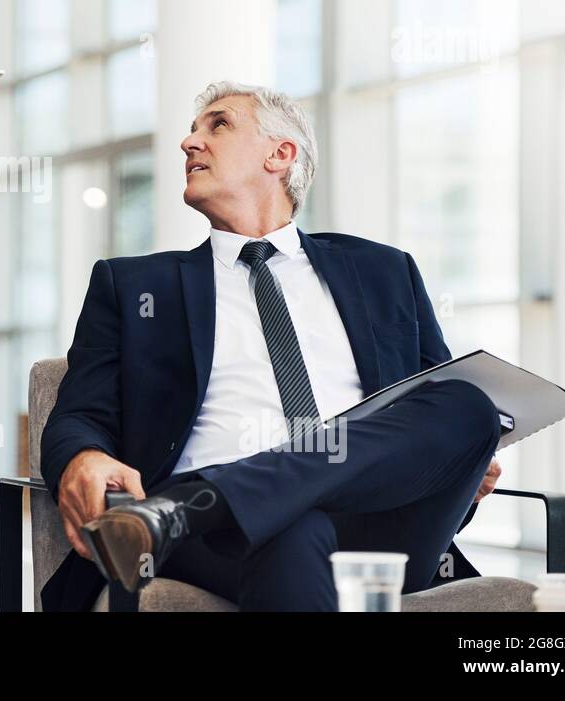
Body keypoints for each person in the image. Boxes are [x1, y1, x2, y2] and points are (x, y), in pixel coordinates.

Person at [41, 81, 504, 611]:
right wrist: (83, 456)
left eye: (218, 125)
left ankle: (194, 503)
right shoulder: (134, 286)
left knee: (469, 406)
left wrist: (464, 461)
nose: (189, 143)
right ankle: (215, 506)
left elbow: (429, 403)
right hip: (218, 541)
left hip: (379, 520)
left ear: (280, 154)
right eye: (192, 131)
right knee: (289, 528)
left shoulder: (383, 271)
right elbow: (78, 414)